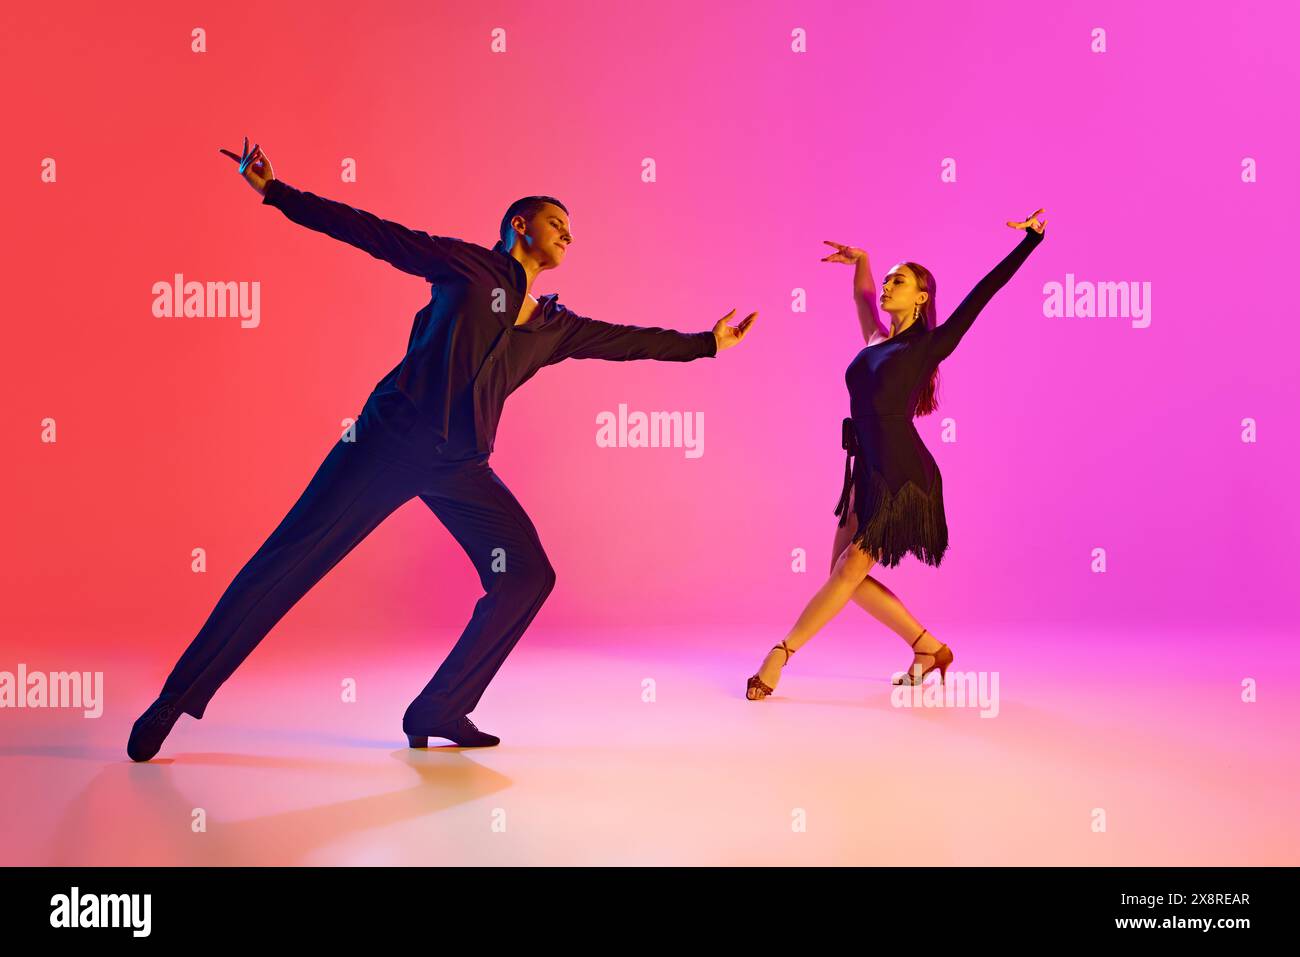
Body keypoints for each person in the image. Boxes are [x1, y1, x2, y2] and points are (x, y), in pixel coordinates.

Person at [128, 137, 757, 760]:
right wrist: (276, 192)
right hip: (385, 443)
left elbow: (624, 341)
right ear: (519, 225)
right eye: (555, 222)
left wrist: (707, 343)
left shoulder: (553, 326)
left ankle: (440, 708)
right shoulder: (466, 267)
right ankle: (174, 699)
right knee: (288, 560)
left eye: (571, 228)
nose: (568, 234)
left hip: (461, 466)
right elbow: (375, 234)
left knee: (528, 576)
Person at [745, 210, 1046, 700]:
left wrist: (1031, 240)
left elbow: (985, 293)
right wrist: (862, 260)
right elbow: (862, 297)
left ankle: (780, 655)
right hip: (866, 469)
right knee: (841, 573)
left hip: (905, 475)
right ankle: (927, 647)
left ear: (921, 296)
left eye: (898, 281)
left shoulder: (929, 345)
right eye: (886, 281)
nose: (886, 288)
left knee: (848, 571)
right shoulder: (875, 342)